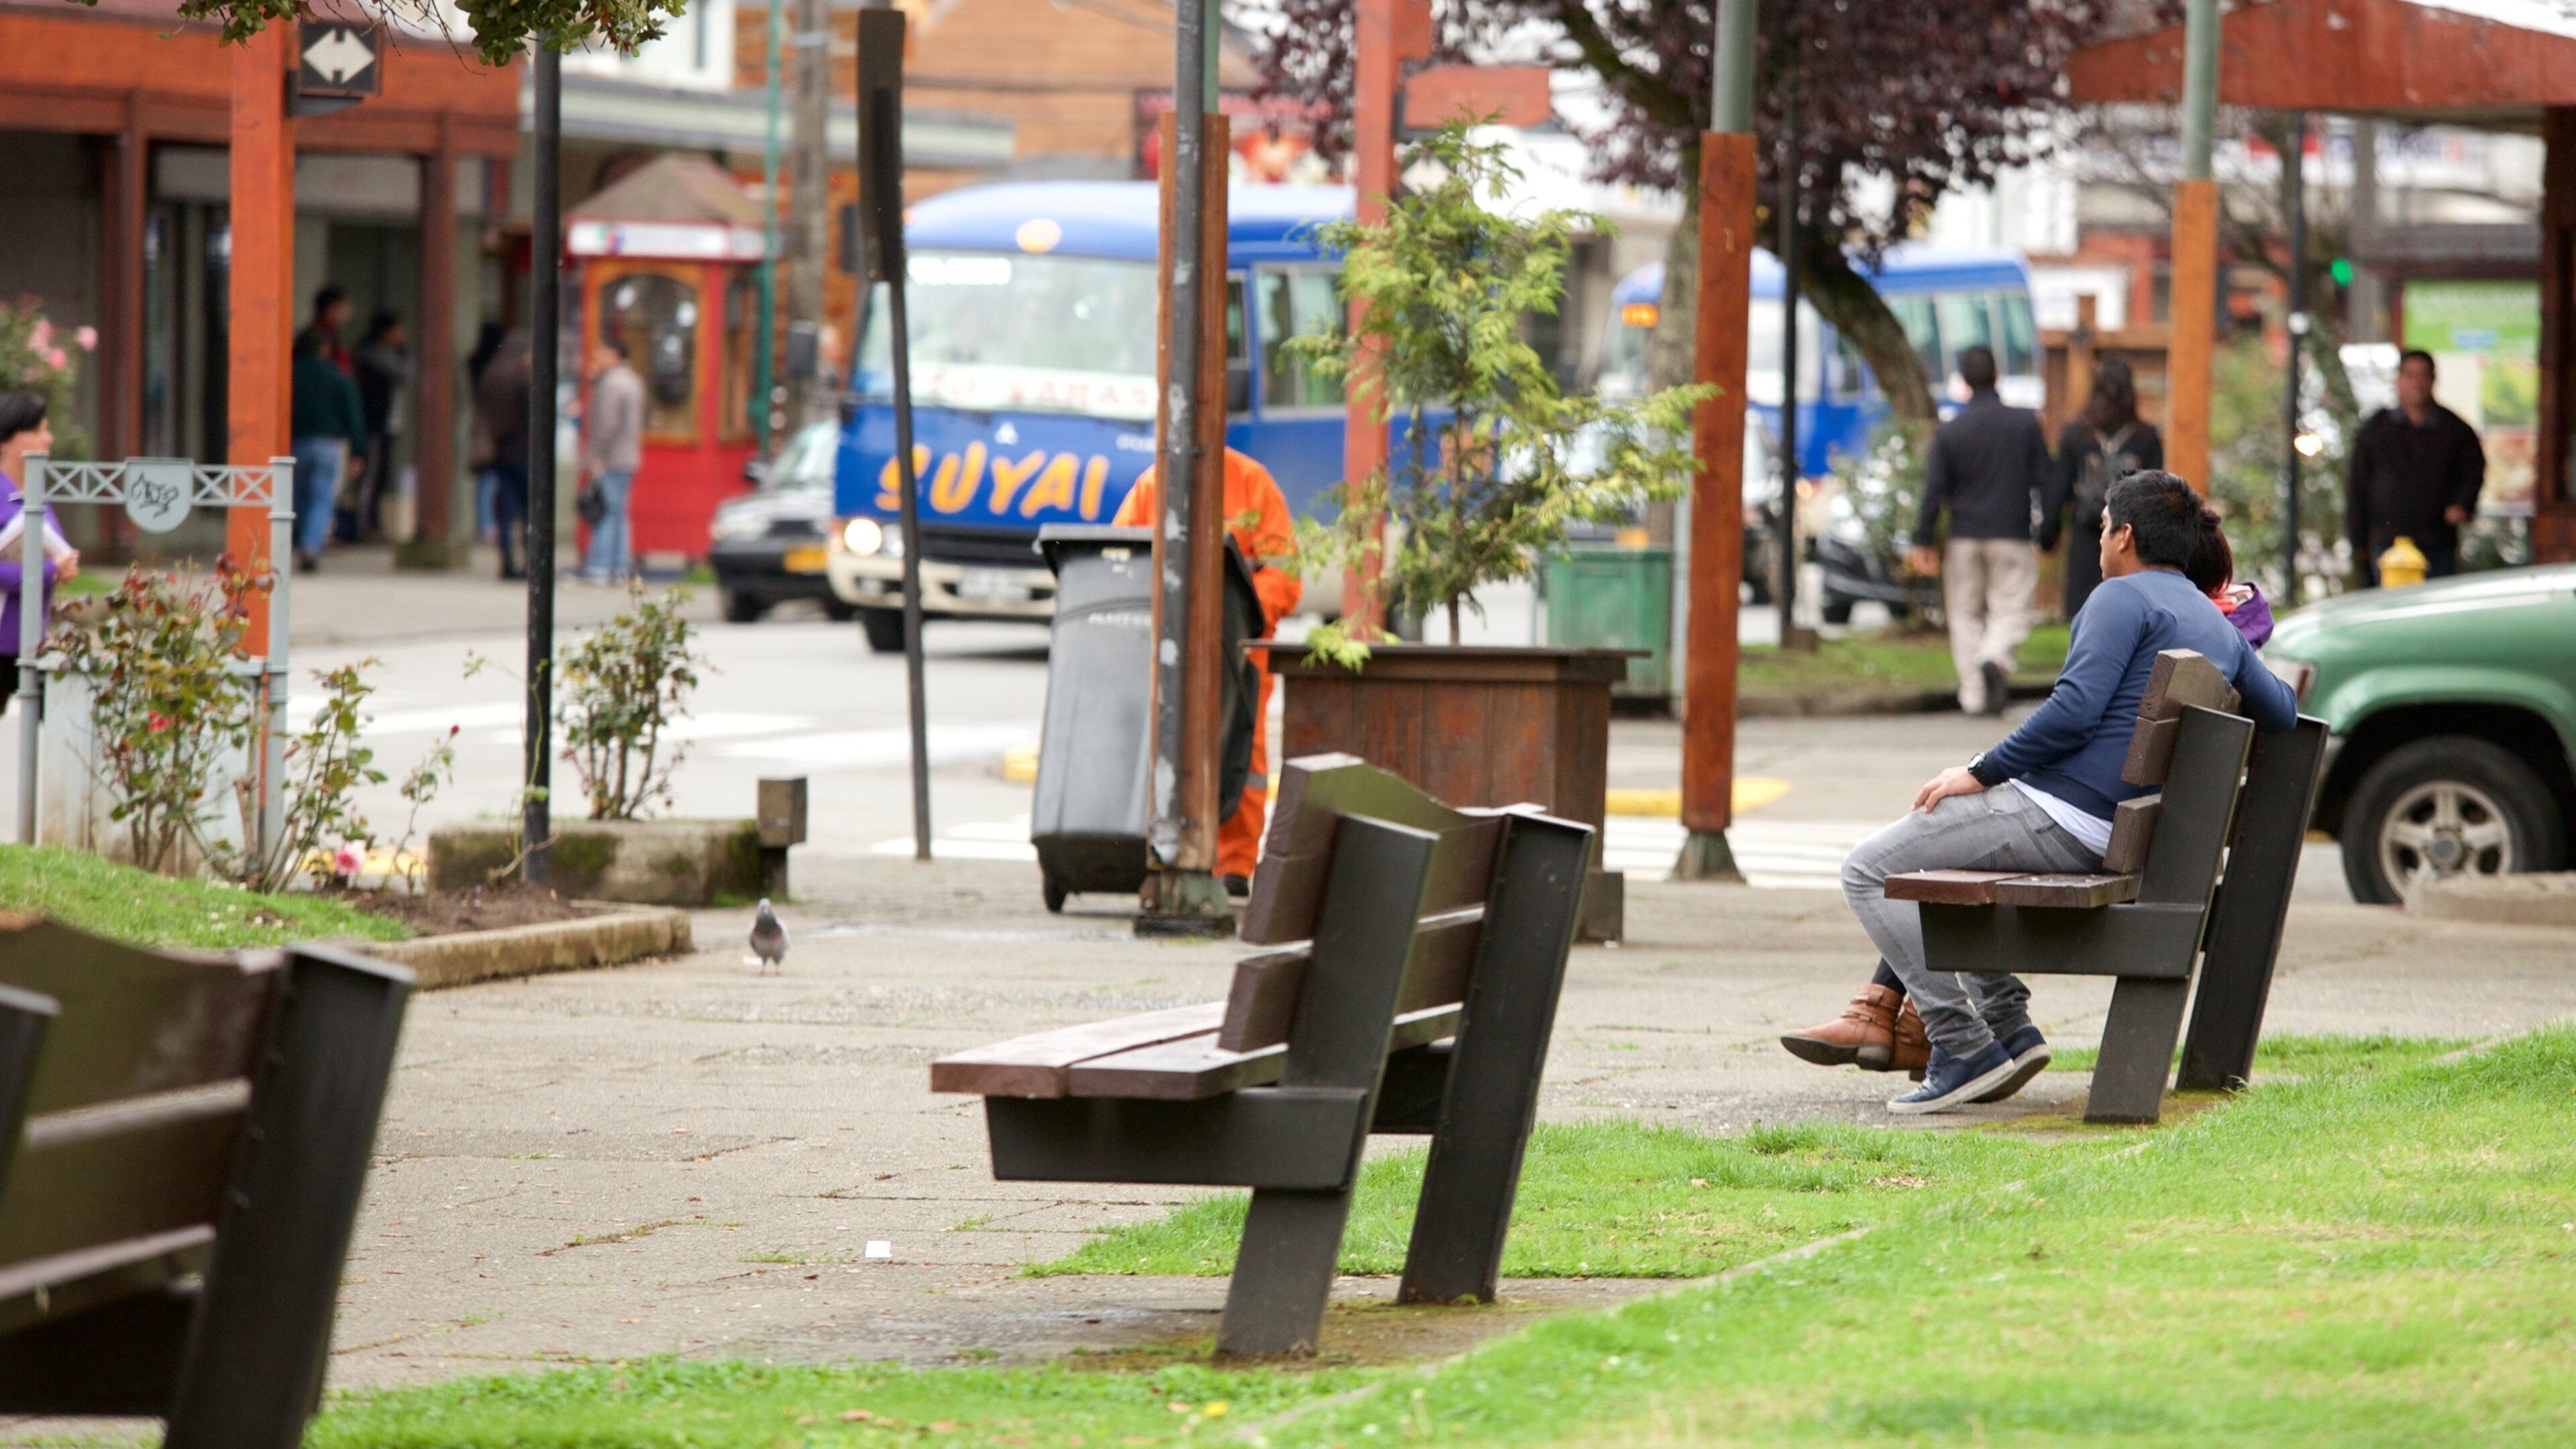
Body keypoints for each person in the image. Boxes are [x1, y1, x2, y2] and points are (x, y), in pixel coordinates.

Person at [1831, 471, 2298, 1114]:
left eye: (2105, 525)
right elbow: (2282, 709)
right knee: (1940, 858)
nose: (2100, 537)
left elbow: (2075, 710)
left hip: (2063, 819)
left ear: (2126, 536)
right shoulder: (2214, 622)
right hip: (2124, 829)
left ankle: (1961, 1043)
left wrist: (1981, 771)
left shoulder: (2119, 598)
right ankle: (2010, 1028)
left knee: (1865, 870)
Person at [1112, 447, 1301, 895]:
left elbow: (1284, 576)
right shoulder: (1154, 484)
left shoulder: (1252, 482)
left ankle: (1234, 865)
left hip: (1238, 649)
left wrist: (1233, 612)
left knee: (1241, 749)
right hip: (1170, 644)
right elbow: (1121, 558)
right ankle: (1158, 850)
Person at [1909, 344, 2053, 716]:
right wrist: (2049, 528)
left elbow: (1933, 491)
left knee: (1964, 614)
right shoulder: (2024, 424)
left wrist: (1923, 539)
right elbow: (2046, 480)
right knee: (2010, 608)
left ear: (1963, 381)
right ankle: (1994, 657)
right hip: (2011, 533)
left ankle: (1974, 695)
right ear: (1997, 375)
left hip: (1964, 536)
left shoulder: (1950, 432)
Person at [2345, 348, 2485, 584]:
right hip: (2386, 543)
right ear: (2398, 381)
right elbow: (2358, 486)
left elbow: (2474, 470)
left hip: (2437, 540)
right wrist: (2358, 542)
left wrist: (2463, 503)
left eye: (2423, 375)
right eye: (2410, 375)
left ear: (2433, 379)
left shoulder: (2454, 430)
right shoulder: (2376, 429)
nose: (2417, 383)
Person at [2041, 355, 2162, 620]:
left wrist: (2048, 534)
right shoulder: (2147, 436)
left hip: (2087, 533)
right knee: (2130, 612)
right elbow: (2156, 495)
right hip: (2131, 540)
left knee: (2085, 613)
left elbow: (2058, 487)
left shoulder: (2076, 434)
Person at [0, 394, 76, 713]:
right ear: (7, 439)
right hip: (4, 641)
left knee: (63, 719)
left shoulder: (35, 495)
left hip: (30, 642)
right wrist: (50, 570)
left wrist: (65, 565)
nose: (49, 438)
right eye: (37, 430)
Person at [288, 329, 367, 574]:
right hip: (328, 445)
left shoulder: (290, 373)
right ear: (324, 349)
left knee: (297, 496)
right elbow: (353, 414)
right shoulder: (337, 375)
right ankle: (312, 546)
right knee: (321, 497)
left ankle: (301, 540)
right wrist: (358, 450)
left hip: (295, 443)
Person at [581, 339, 644, 586]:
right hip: (627, 456)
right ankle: (619, 567)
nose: (596, 359)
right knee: (619, 513)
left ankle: (600, 566)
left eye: (601, 354)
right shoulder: (631, 380)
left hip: (611, 458)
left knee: (605, 512)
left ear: (614, 355)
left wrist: (595, 457)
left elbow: (606, 425)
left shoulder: (612, 385)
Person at [349, 309, 411, 543]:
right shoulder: (373, 355)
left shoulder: (388, 354)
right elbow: (404, 373)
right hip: (374, 424)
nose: (402, 335)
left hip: (386, 425)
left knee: (380, 476)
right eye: (398, 330)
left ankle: (370, 523)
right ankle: (363, 525)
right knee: (371, 476)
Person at [476, 331, 534, 580]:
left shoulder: (492, 378)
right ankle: (529, 562)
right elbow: (533, 417)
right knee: (529, 512)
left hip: (499, 453)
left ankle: (506, 560)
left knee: (505, 512)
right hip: (523, 453)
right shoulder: (524, 381)